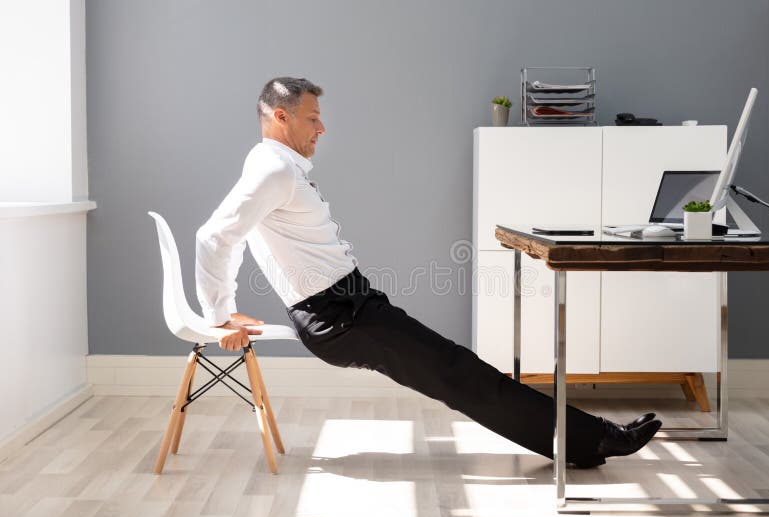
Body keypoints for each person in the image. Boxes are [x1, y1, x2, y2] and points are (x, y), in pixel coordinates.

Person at [195, 77, 662, 468]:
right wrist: (220, 315)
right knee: (459, 373)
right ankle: (595, 439)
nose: (322, 127)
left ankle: (588, 441)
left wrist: (224, 309)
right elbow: (214, 237)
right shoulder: (272, 169)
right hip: (338, 315)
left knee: (458, 371)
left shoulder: (277, 166)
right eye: (312, 117)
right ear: (281, 116)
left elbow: (228, 237)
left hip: (349, 305)